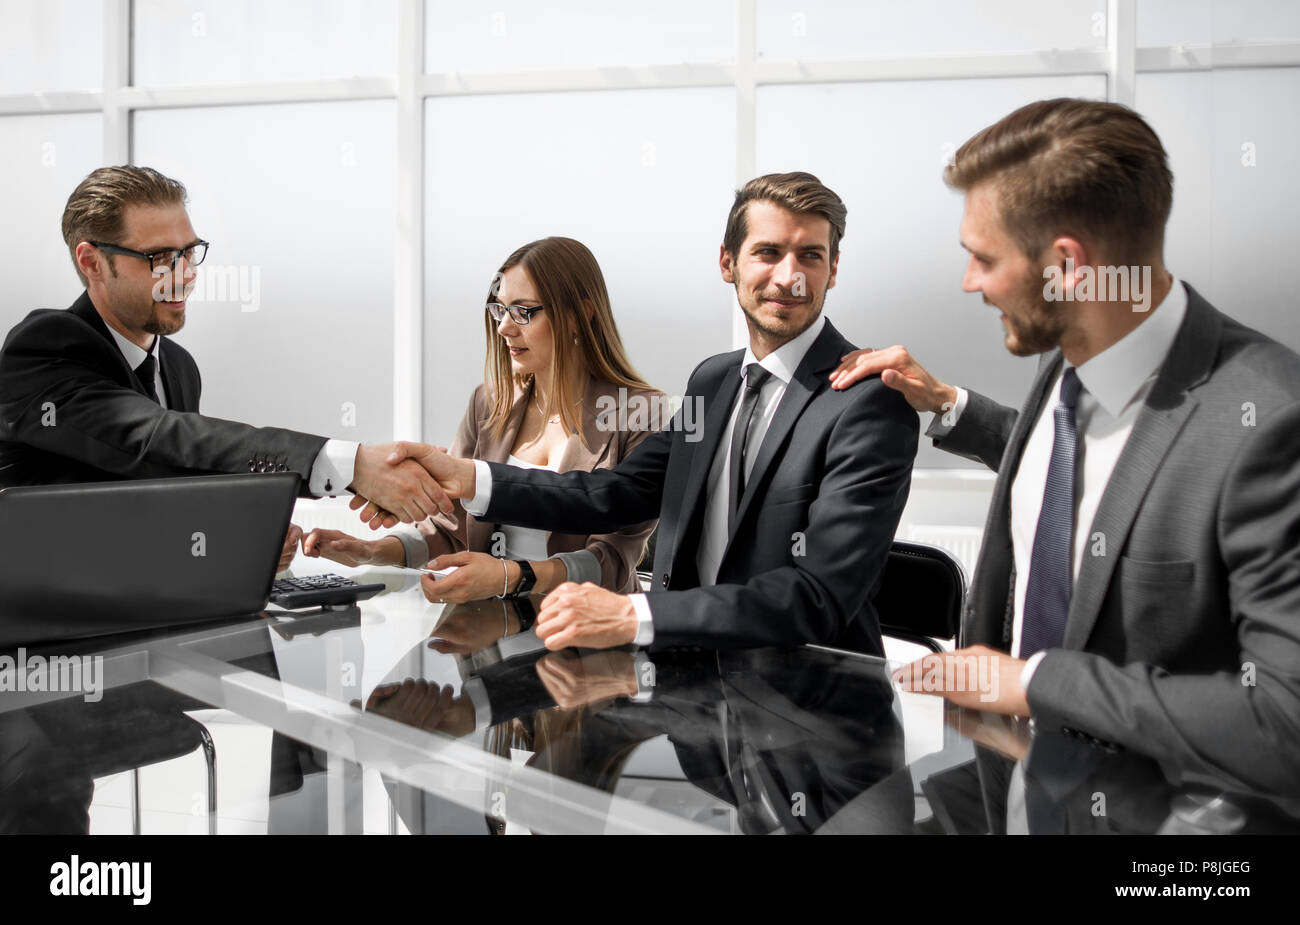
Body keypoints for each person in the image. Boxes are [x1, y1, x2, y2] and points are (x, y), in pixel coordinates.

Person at [831, 98, 1300, 828]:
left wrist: (1034, 681)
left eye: (983, 258)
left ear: (1067, 264)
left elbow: (1284, 719)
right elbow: (1101, 477)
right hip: (1008, 799)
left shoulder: (1271, 420)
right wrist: (948, 403)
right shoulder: (1072, 356)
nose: (969, 283)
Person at [360, 172, 919, 654]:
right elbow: (611, 494)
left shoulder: (869, 400)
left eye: (811, 256)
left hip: (811, 711)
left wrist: (634, 616)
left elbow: (818, 597)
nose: (789, 276)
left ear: (834, 268)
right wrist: (467, 476)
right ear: (728, 262)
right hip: (686, 695)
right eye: (768, 252)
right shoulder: (714, 380)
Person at [0, 166, 454, 565]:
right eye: (159, 258)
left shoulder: (178, 367)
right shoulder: (47, 349)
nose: (184, 274)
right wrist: (351, 466)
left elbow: (170, 483)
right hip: (46, 639)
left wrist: (233, 545)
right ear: (92, 262)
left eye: (190, 252)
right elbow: (154, 440)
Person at [302, 236, 662, 603]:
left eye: (524, 311)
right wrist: (372, 552)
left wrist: (513, 577)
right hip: (488, 634)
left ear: (578, 315)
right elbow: (448, 526)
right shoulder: (489, 403)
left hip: (587, 640)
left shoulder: (641, 415)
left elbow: (613, 562)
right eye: (500, 309)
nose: (504, 327)